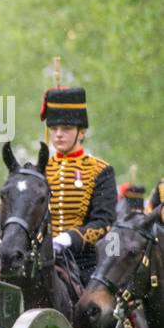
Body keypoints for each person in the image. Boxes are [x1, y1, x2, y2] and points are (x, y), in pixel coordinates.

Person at [41, 86, 115, 280]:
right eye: (54, 129)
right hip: (41, 260)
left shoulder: (100, 171)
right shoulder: (40, 170)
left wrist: (70, 238)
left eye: (66, 129)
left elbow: (104, 222)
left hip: (82, 263)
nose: (58, 134)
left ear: (81, 132)